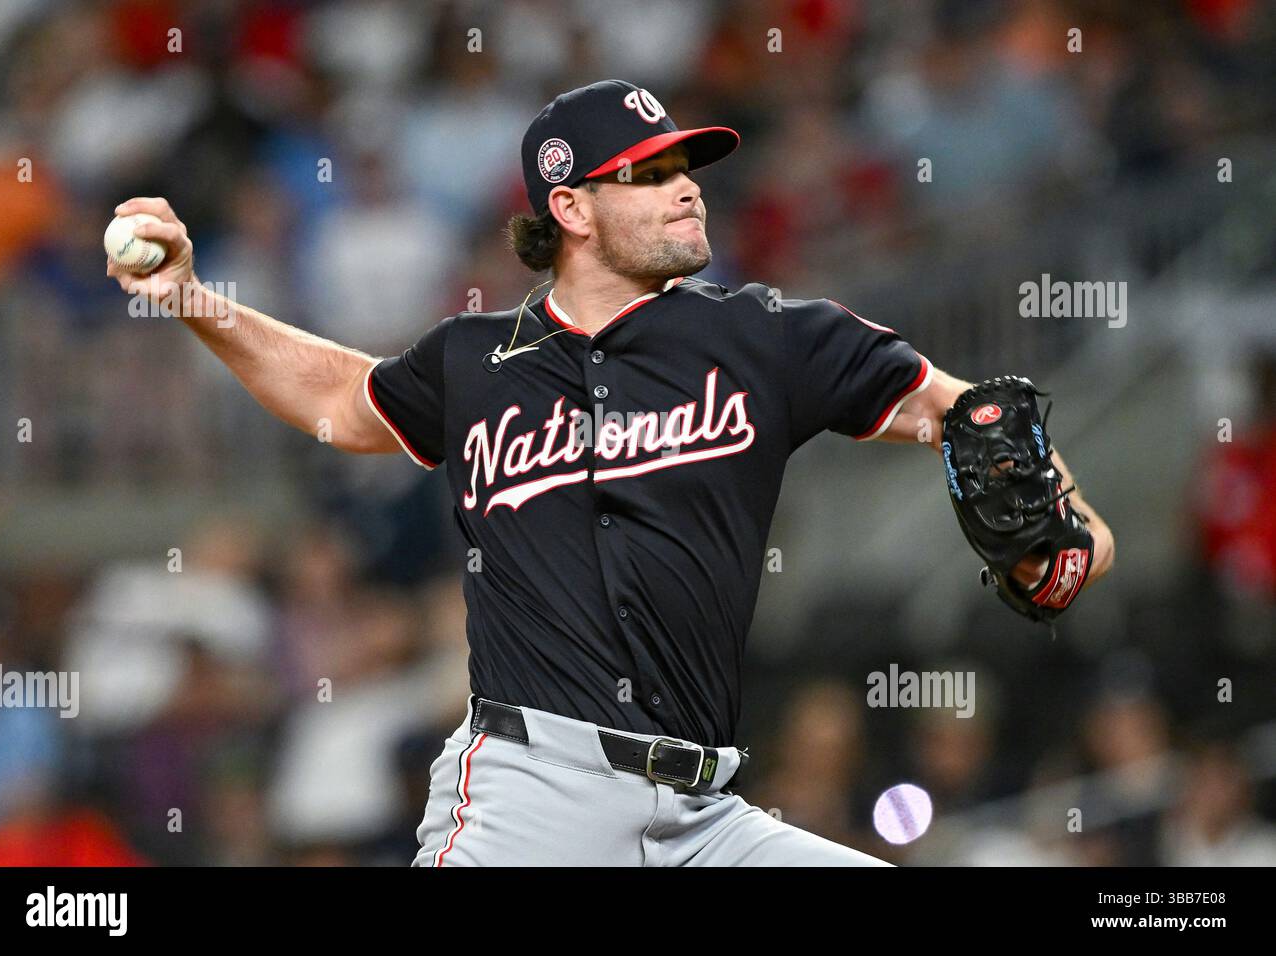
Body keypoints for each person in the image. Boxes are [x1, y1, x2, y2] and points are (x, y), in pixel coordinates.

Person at [107, 79, 1114, 866]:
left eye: (687, 163)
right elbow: (341, 399)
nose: (686, 184)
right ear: (571, 206)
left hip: (703, 813)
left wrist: (1074, 522)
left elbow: (972, 411)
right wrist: (196, 299)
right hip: (532, 793)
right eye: (648, 171)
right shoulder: (472, 360)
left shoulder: (765, 336)